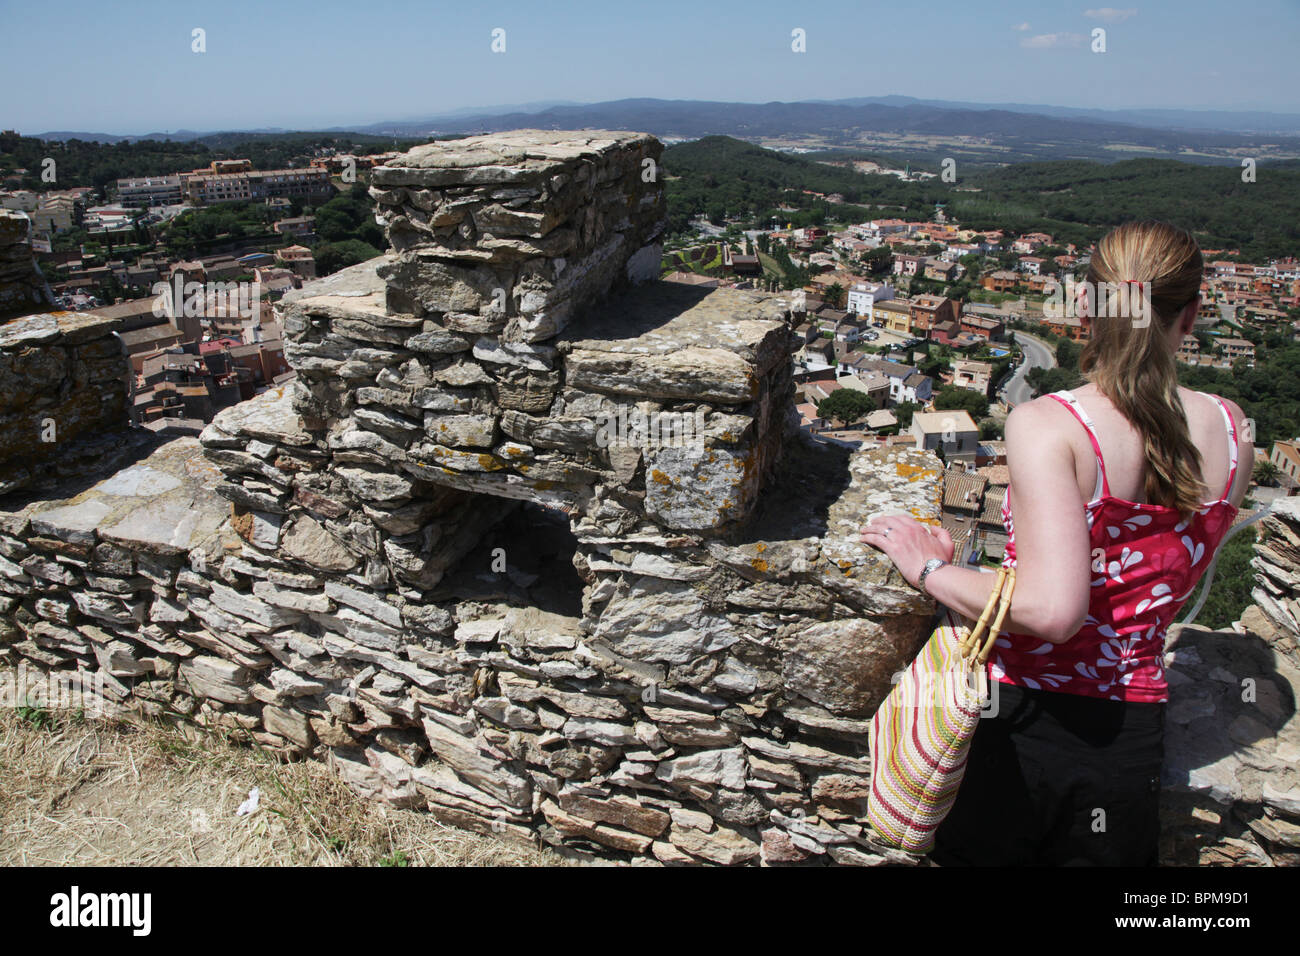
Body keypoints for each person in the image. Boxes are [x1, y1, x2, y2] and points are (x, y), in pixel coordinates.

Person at [860, 220, 1253, 866]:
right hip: (1129, 738)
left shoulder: (1051, 427)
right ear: (1193, 316)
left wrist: (929, 567)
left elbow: (1052, 610)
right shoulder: (1234, 432)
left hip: (1020, 729)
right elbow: (1132, 585)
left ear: (1083, 309)